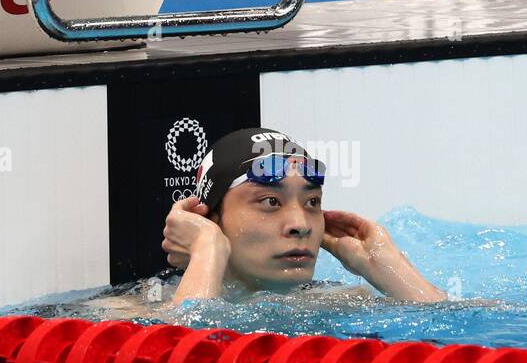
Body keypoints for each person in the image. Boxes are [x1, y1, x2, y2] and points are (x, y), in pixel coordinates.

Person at [161, 127, 447, 306]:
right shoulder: (130, 313)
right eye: (271, 201)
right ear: (210, 220)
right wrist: (207, 250)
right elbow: (183, 361)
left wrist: (385, 268)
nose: (300, 225)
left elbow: (449, 337)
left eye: (312, 202)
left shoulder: (342, 303)